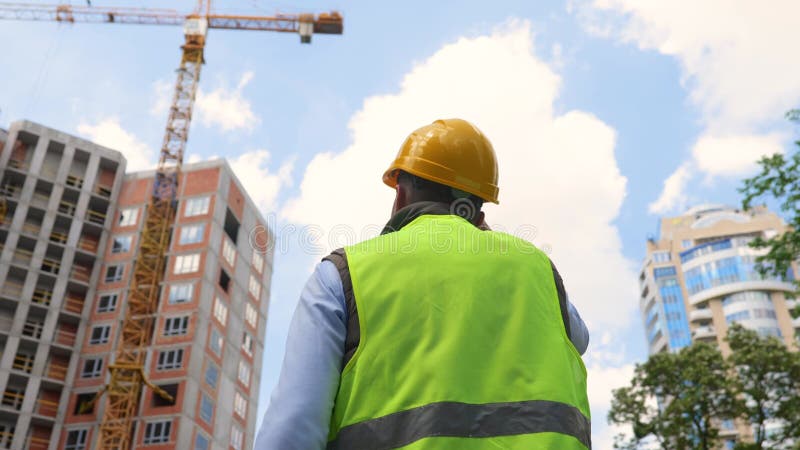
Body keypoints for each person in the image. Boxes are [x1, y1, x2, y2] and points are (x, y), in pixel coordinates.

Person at [255, 119, 591, 449]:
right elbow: (580, 337)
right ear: (479, 207)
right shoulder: (537, 269)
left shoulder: (342, 275)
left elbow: (292, 429)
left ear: (400, 194)